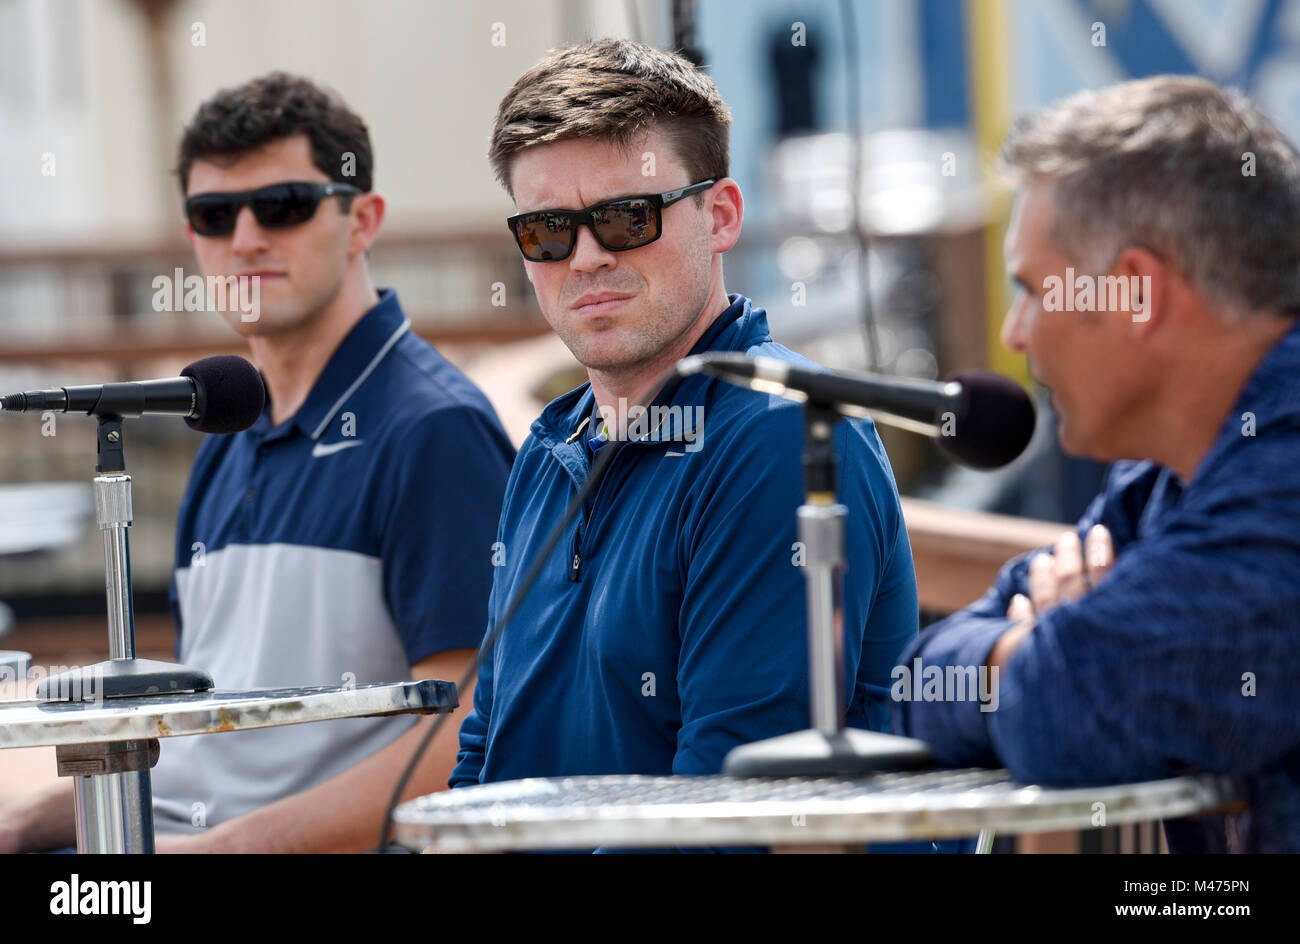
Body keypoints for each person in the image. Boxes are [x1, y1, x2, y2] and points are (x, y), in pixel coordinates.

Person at [2, 73, 514, 853]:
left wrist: (224, 849)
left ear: (362, 219)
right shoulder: (225, 429)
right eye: (214, 215)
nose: (245, 238)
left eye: (283, 206)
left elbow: (472, 733)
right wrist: (32, 818)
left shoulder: (433, 429)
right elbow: (219, 743)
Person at [450, 40, 919, 852]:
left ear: (724, 214)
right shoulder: (549, 446)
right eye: (548, 230)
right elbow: (484, 759)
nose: (588, 256)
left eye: (629, 217)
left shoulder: (784, 436)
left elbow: (725, 814)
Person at [891, 75, 1300, 853]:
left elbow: (1072, 703)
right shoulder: (1164, 482)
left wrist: (1043, 648)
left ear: (1136, 292)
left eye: (1033, 289)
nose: (1014, 333)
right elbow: (914, 684)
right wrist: (1042, 649)